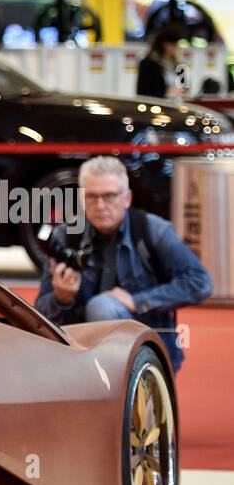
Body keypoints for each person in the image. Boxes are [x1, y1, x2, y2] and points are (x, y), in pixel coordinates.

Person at [35, 156, 211, 372]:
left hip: (149, 354)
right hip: (80, 357)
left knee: (102, 307)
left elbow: (200, 282)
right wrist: (61, 299)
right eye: (92, 197)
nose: (100, 205)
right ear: (81, 199)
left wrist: (136, 301)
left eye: (109, 196)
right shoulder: (65, 237)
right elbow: (38, 316)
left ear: (127, 198)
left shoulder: (153, 231)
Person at [136, 24, 186, 99]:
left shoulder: (175, 63)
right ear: (164, 44)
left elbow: (186, 84)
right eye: (173, 45)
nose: (175, 48)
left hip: (176, 105)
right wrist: (168, 94)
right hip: (158, 106)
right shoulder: (148, 64)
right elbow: (144, 93)